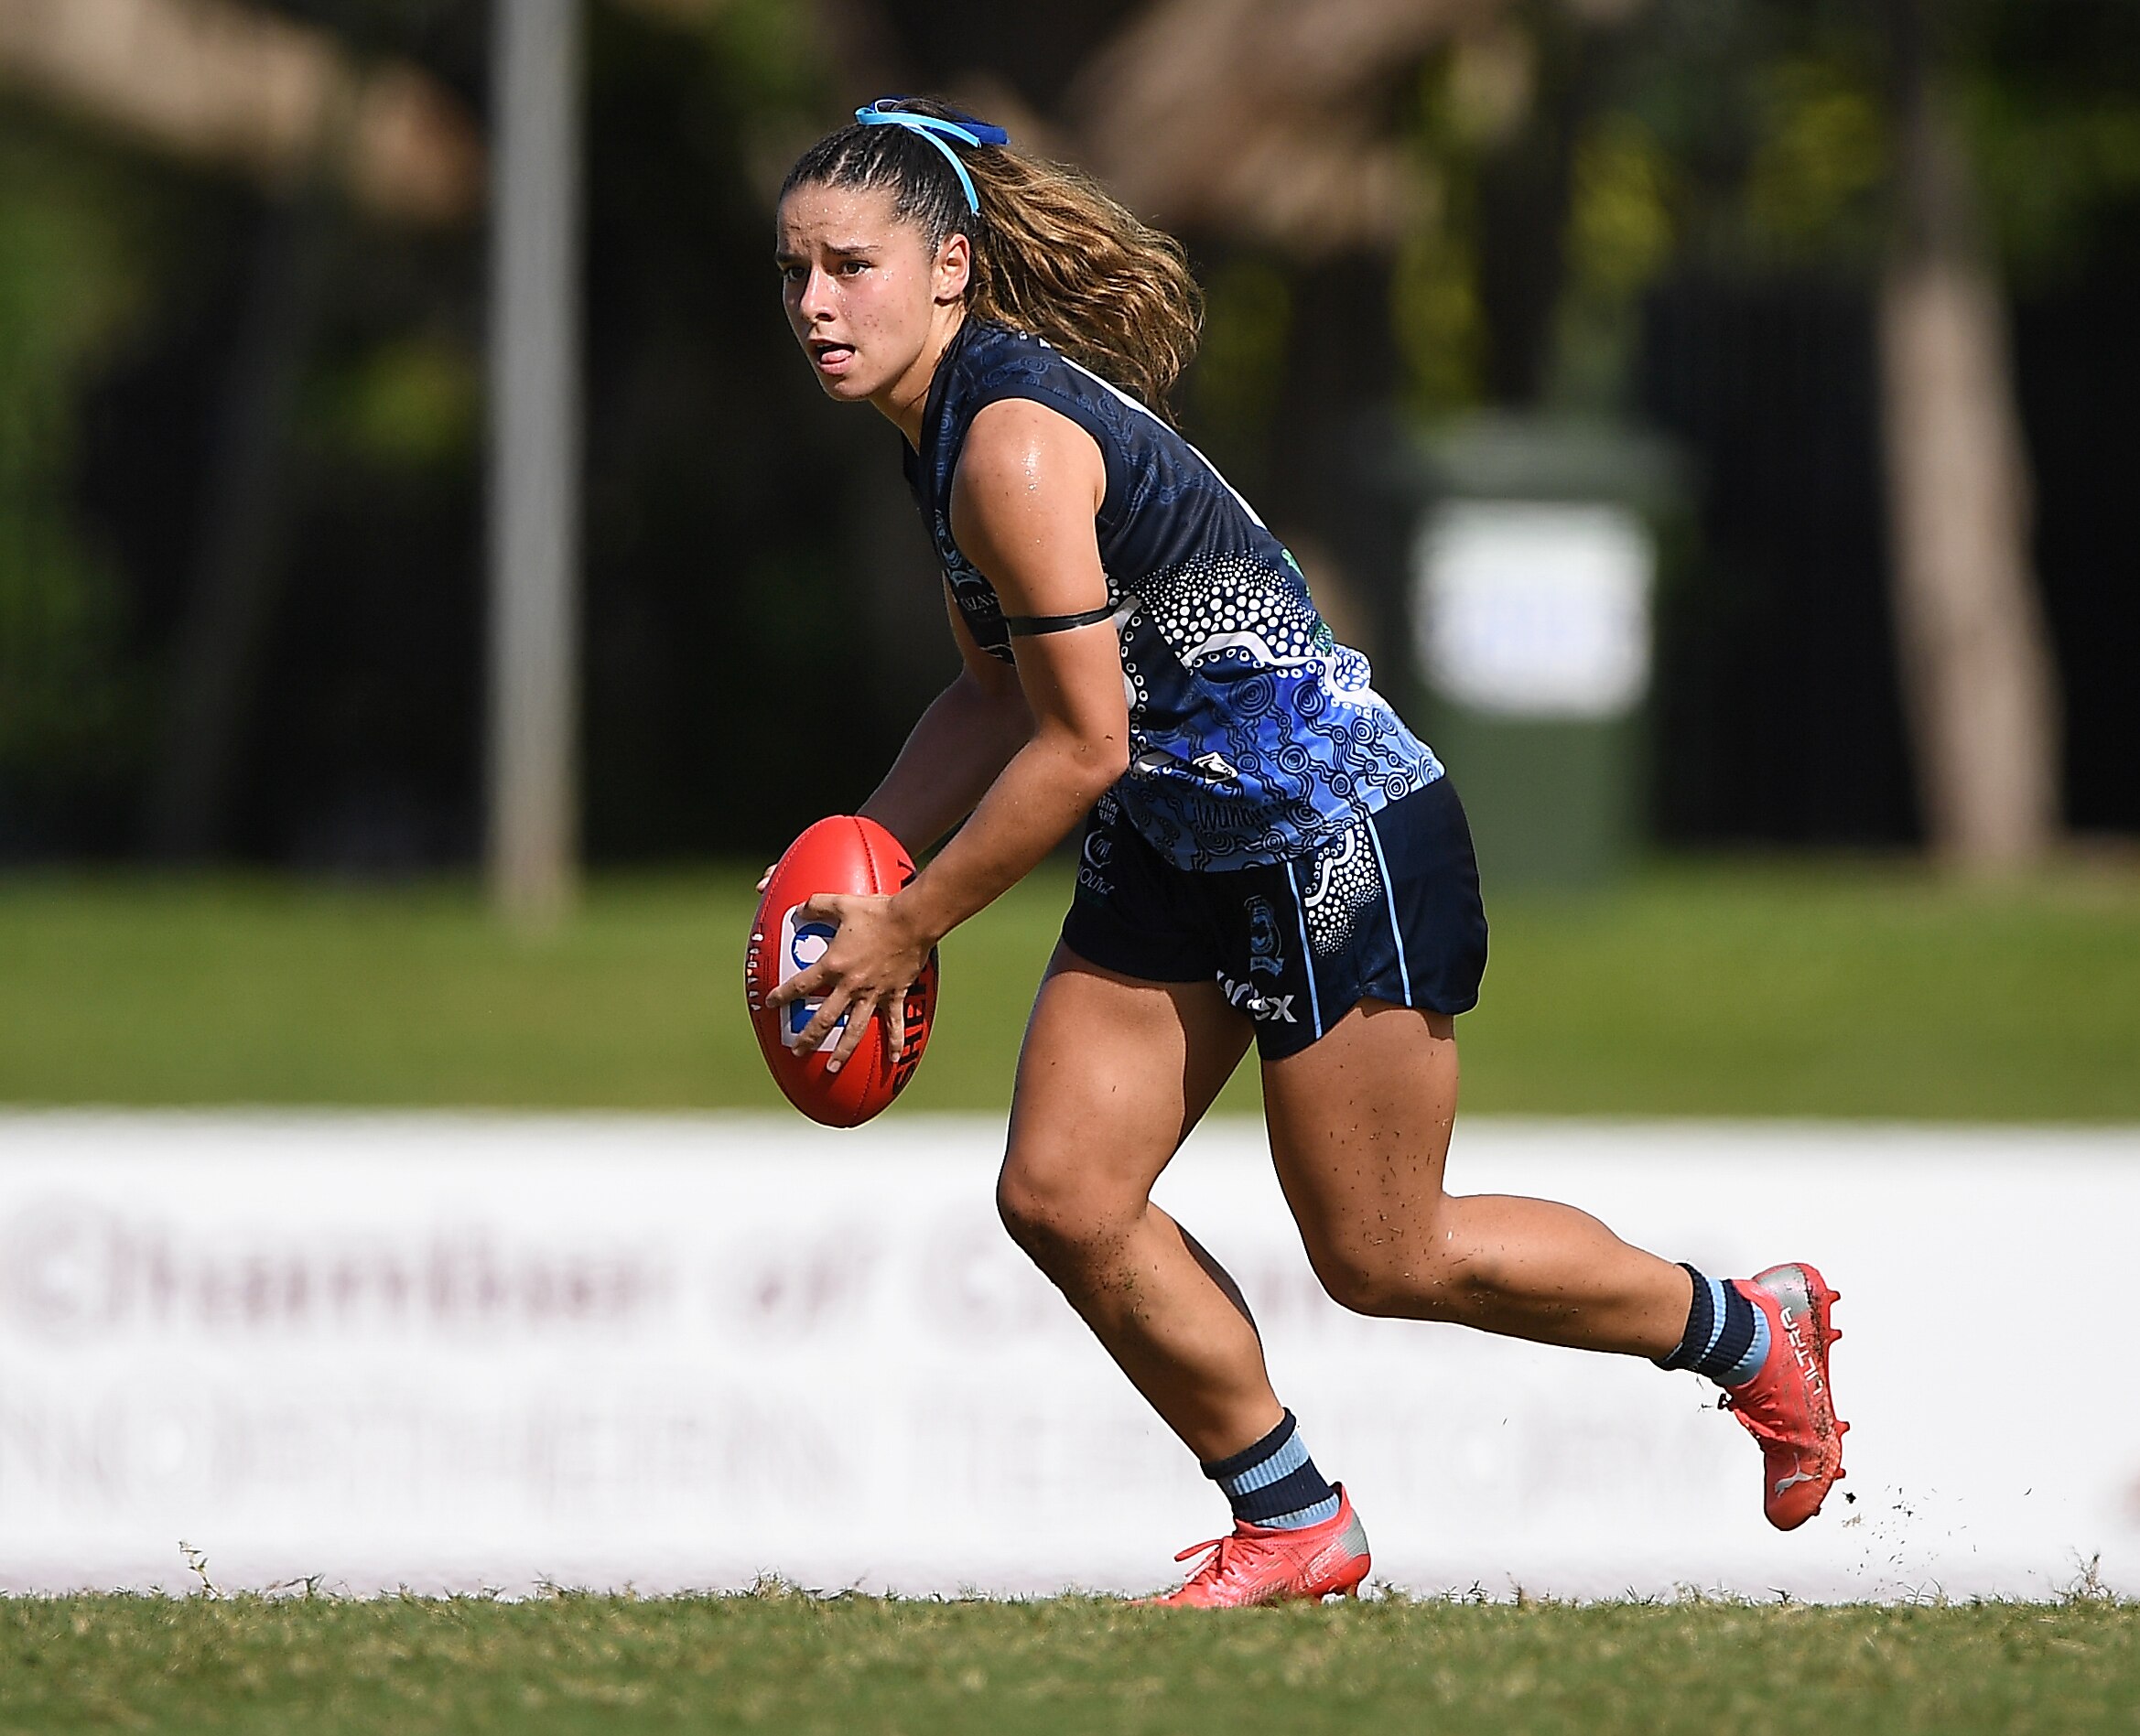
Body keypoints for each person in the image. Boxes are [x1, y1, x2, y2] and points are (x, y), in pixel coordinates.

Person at [764, 98, 1846, 1607]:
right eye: (796, 271)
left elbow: (1076, 746)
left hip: (1337, 842)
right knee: (1063, 1194)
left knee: (1388, 1254)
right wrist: (862, 853)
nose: (817, 302)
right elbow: (993, 690)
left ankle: (1746, 1327)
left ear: (949, 268)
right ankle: (1291, 1519)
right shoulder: (936, 433)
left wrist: (907, 921)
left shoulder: (1009, 444)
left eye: (851, 266)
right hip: (1182, 840)